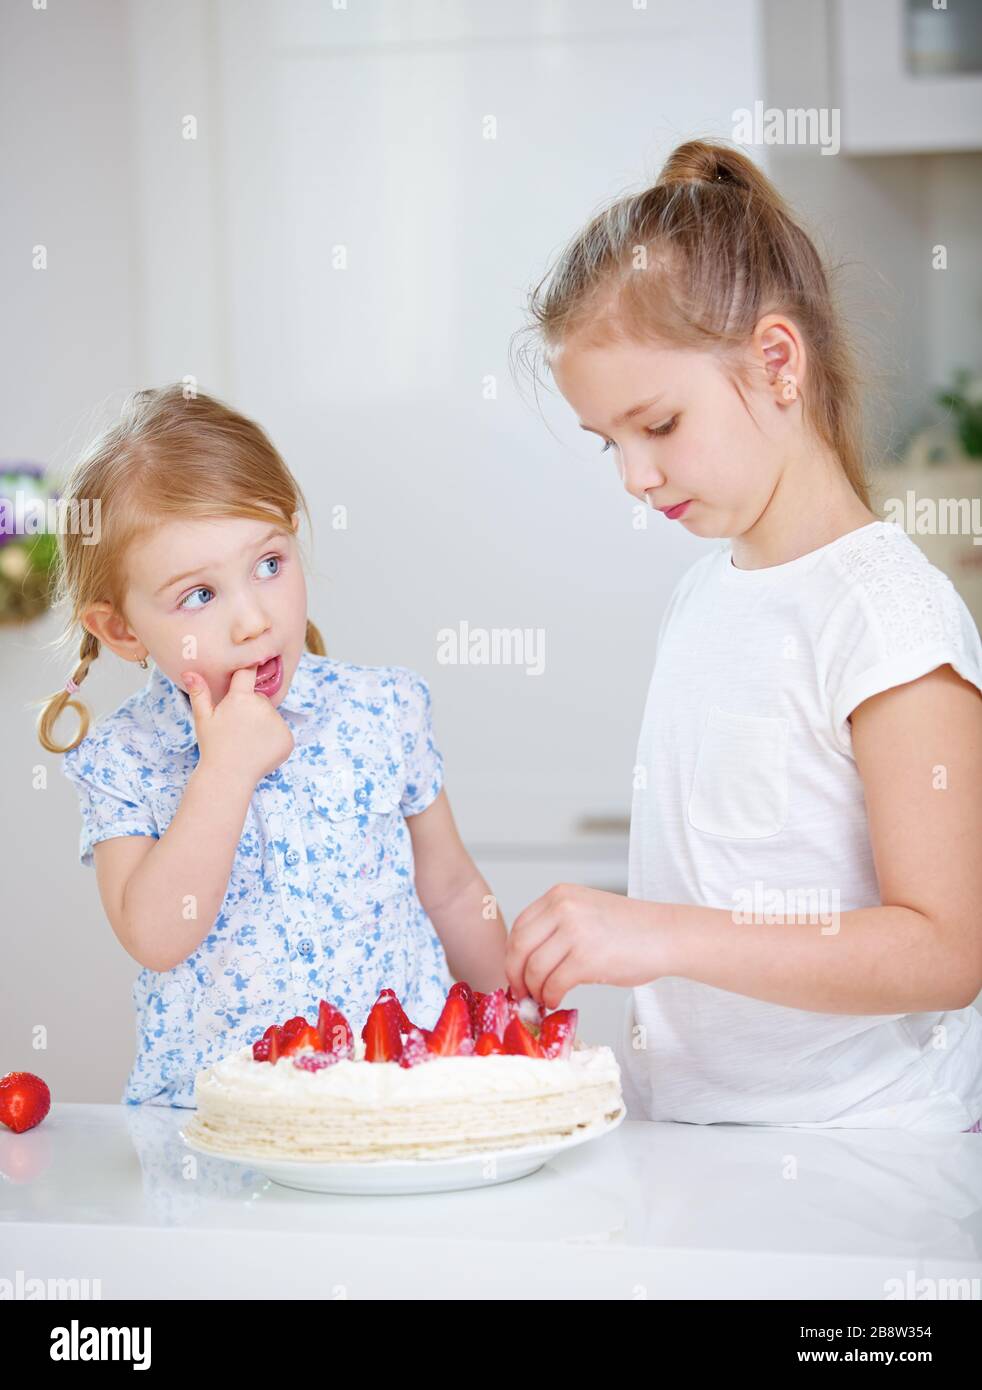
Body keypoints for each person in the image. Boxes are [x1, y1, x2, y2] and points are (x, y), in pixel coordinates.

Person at [506, 139, 982, 1131]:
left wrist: (660, 936)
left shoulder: (885, 612)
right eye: (611, 444)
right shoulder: (703, 593)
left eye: (659, 425)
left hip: (860, 1154)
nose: (634, 476)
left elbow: (946, 950)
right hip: (693, 1136)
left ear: (775, 361)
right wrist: (622, 937)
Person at [38, 384, 506, 1106]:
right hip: (212, 1126)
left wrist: (505, 1016)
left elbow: (450, 887)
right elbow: (158, 935)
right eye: (199, 594)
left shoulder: (381, 710)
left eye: (269, 565)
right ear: (123, 630)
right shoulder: (126, 758)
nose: (254, 620)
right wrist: (224, 770)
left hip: (401, 1104)